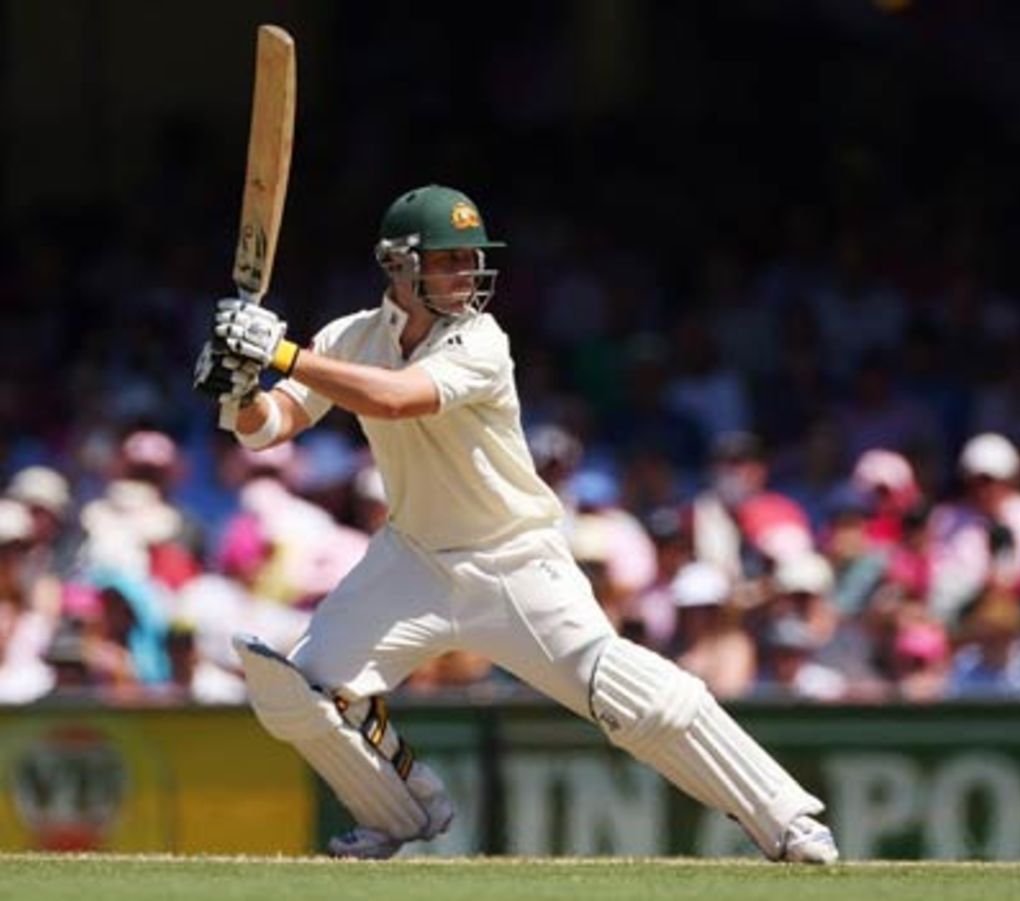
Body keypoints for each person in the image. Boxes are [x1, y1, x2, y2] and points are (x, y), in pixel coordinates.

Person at [192, 184, 836, 863]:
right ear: (398, 264)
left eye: (471, 258)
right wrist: (239, 389)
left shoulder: (481, 338)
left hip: (514, 560)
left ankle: (786, 820)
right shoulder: (349, 337)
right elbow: (270, 427)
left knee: (642, 699)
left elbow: (397, 399)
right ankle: (399, 811)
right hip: (412, 558)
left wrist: (280, 353)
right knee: (300, 694)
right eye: (449, 259)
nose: (467, 273)